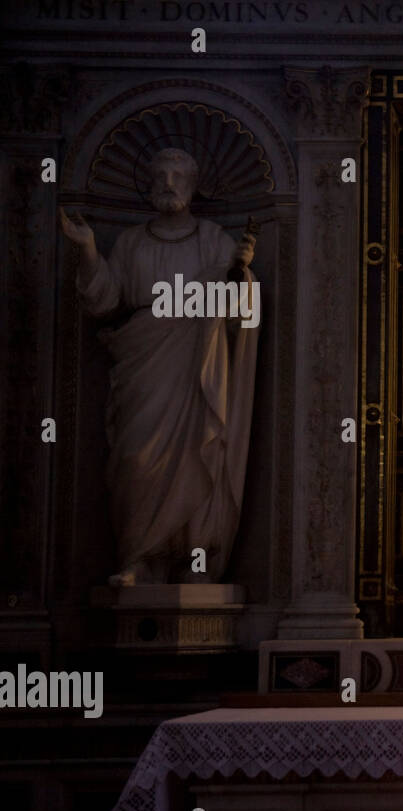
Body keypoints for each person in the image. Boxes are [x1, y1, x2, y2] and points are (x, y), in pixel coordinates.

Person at [59, 148, 259, 585]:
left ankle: (196, 563)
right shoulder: (132, 242)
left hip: (198, 362)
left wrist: (239, 271)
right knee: (136, 458)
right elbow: (104, 301)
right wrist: (89, 249)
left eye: (178, 176)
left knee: (198, 453)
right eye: (161, 175)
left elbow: (241, 307)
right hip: (144, 360)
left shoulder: (213, 239)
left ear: (192, 185)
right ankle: (137, 559)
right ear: (150, 185)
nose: (169, 183)